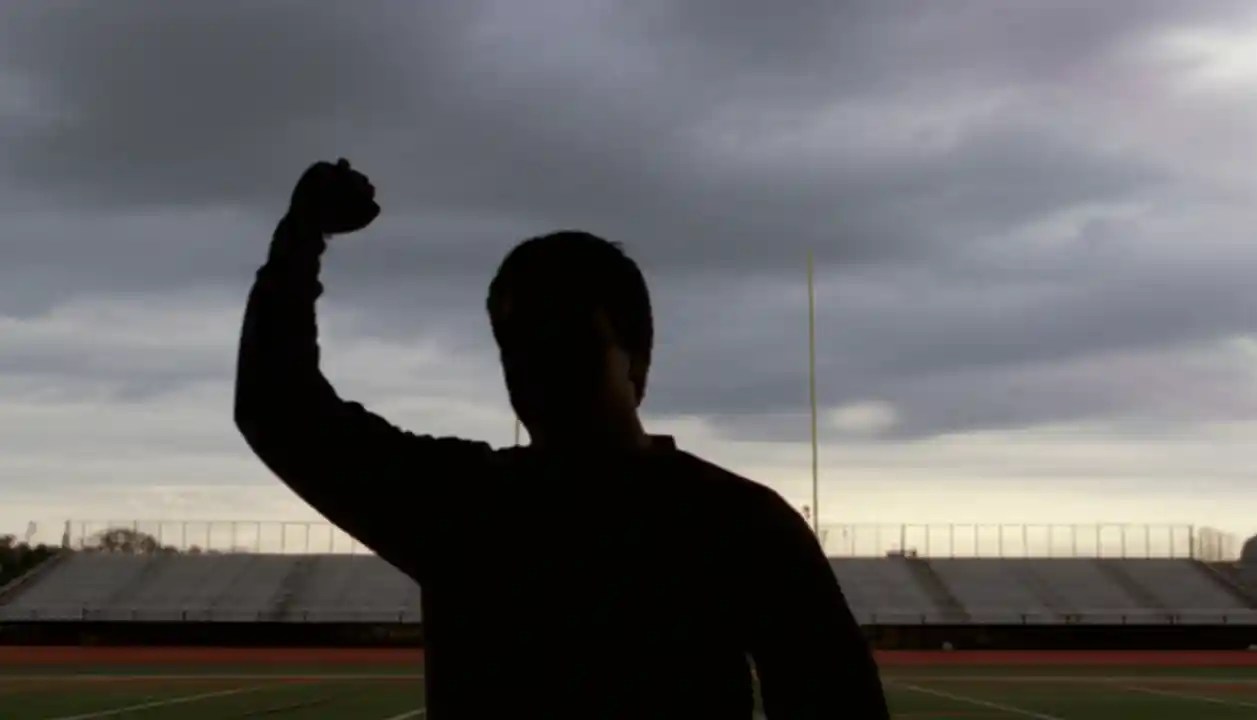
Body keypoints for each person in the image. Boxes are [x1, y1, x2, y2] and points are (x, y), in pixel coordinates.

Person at [235, 158, 888, 718]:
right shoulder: (737, 518)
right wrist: (299, 239)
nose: (538, 369)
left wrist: (301, 241)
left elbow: (280, 408)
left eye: (567, 343)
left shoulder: (466, 505)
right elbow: (280, 409)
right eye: (518, 348)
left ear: (636, 359)